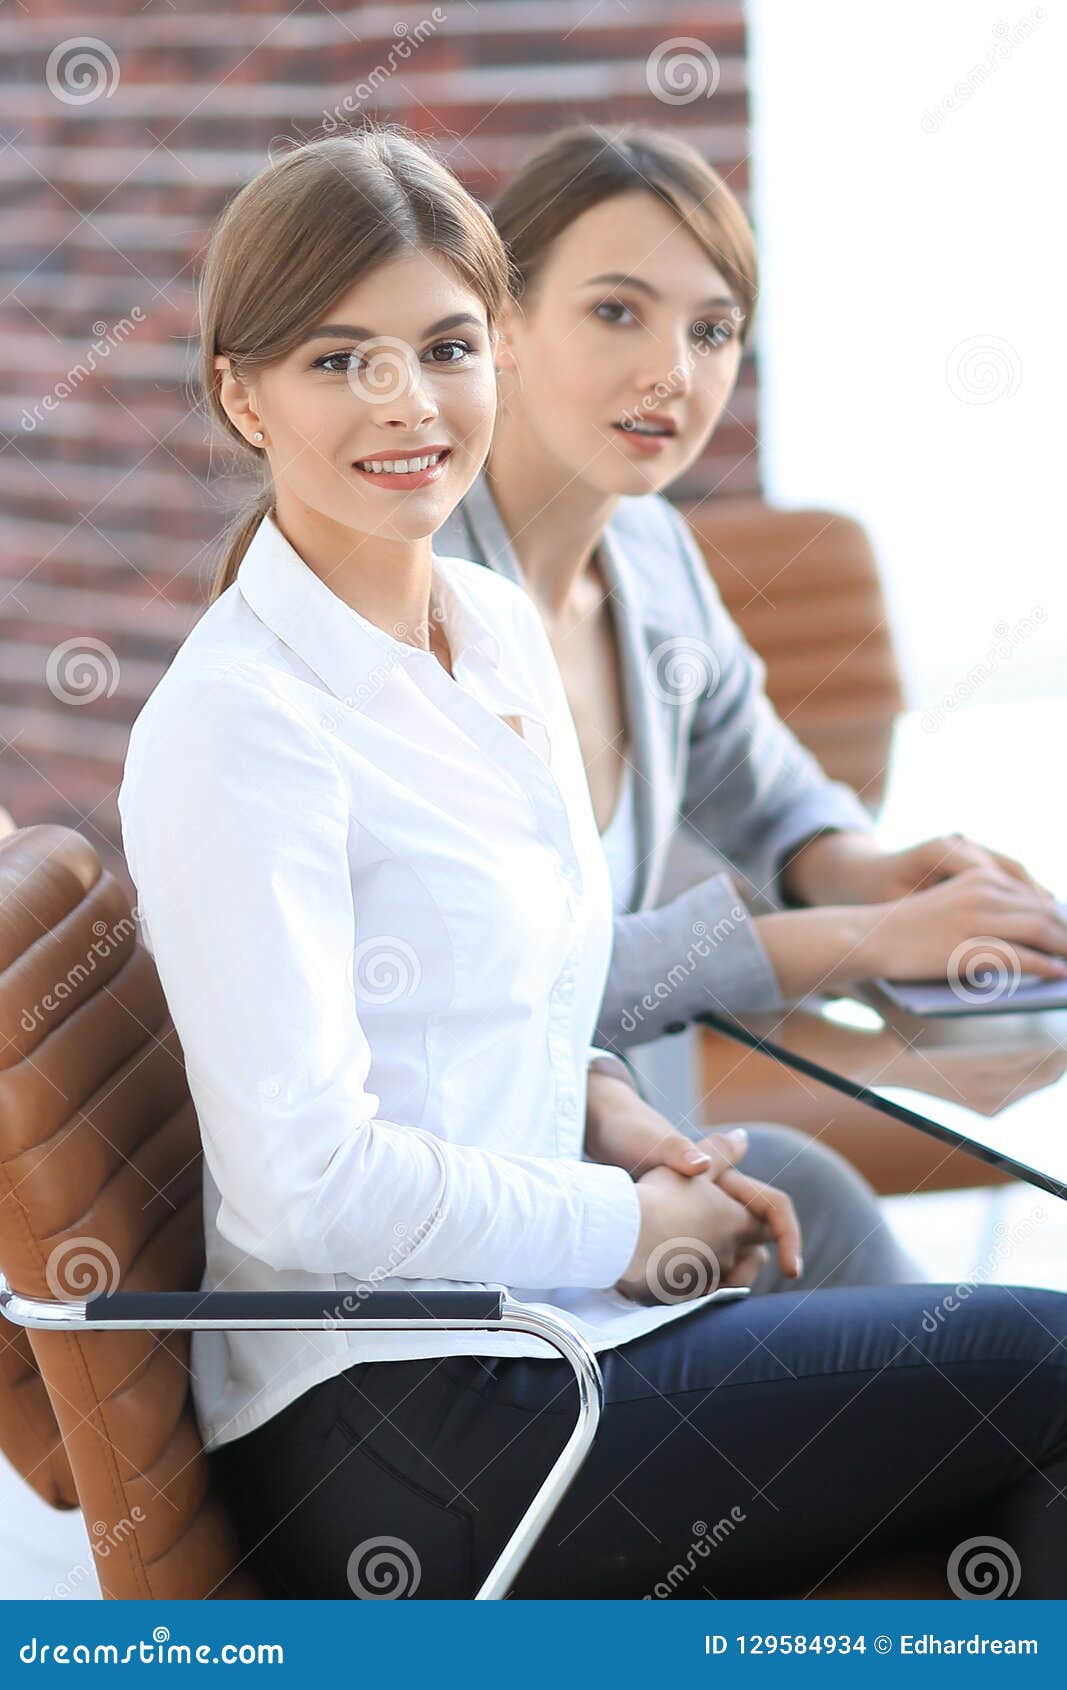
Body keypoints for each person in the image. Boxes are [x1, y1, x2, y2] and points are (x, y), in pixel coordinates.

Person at [118, 128, 1067, 1601]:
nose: (407, 403)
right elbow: (308, 1192)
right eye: (335, 359)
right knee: (1045, 1370)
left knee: (993, 1470)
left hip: (544, 1329)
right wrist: (633, 1220)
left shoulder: (486, 634)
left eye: (441, 347)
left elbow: (507, 989)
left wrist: (604, 1110)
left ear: (489, 350)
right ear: (239, 392)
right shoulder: (240, 727)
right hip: (398, 1421)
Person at [436, 124, 1067, 1149]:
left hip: (657, 1158)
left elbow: (769, 793)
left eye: (711, 330)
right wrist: (858, 939)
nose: (671, 372)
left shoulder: (648, 552)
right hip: (498, 1205)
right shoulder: (414, 605)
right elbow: (506, 984)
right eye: (614, 312)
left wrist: (871, 871)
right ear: (502, 322)